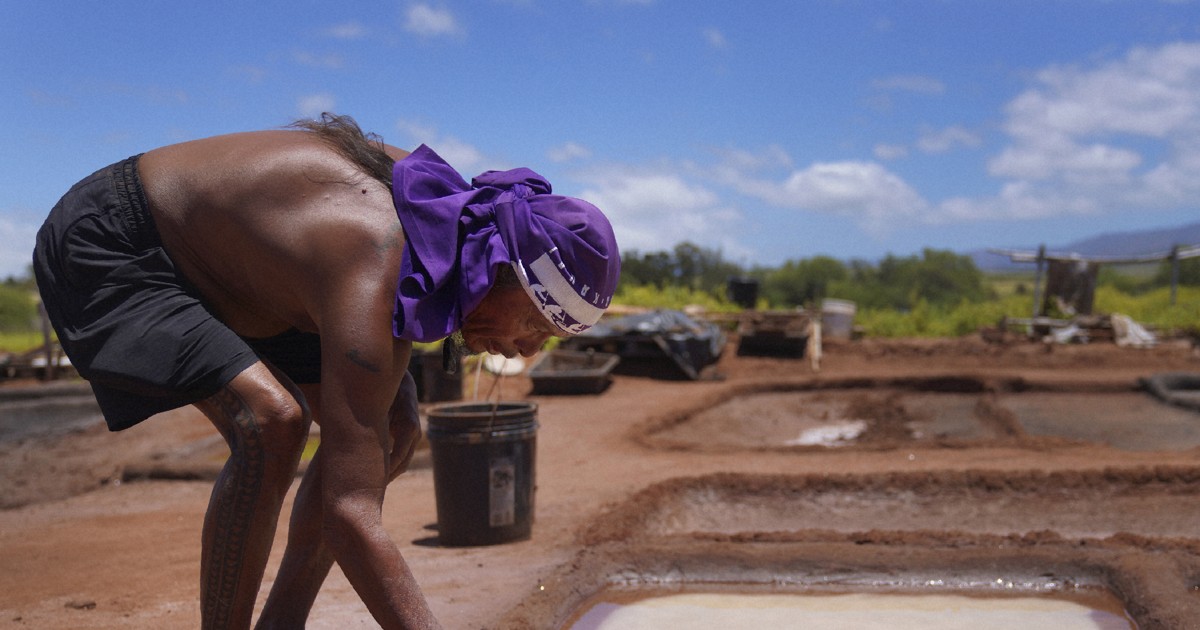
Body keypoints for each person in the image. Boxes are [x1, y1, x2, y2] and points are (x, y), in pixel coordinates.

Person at [31, 113, 620, 629]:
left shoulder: (442, 226)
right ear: (499, 270)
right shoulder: (377, 255)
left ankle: (282, 623)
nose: (522, 352)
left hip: (247, 283)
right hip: (117, 242)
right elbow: (350, 515)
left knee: (397, 426)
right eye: (535, 327)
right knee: (272, 423)